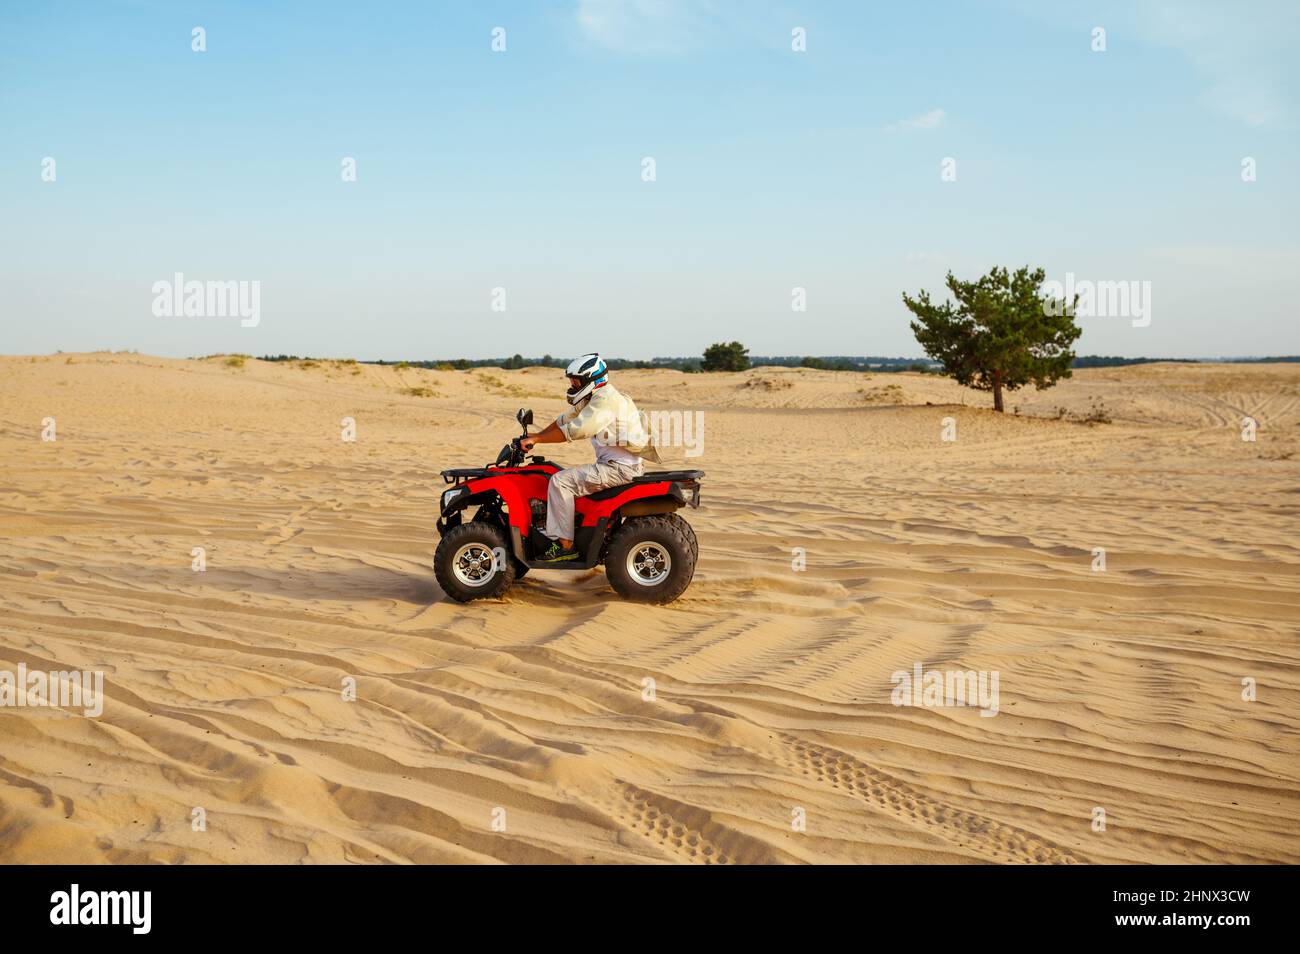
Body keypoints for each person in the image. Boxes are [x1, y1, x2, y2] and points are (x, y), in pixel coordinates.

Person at [520, 353, 660, 561]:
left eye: (576, 381)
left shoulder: (605, 401)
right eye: (571, 381)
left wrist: (539, 440)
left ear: (591, 380)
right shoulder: (595, 397)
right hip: (615, 465)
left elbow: (577, 430)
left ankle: (565, 546)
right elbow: (564, 420)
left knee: (560, 482)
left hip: (619, 469)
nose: (572, 385)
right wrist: (536, 435)